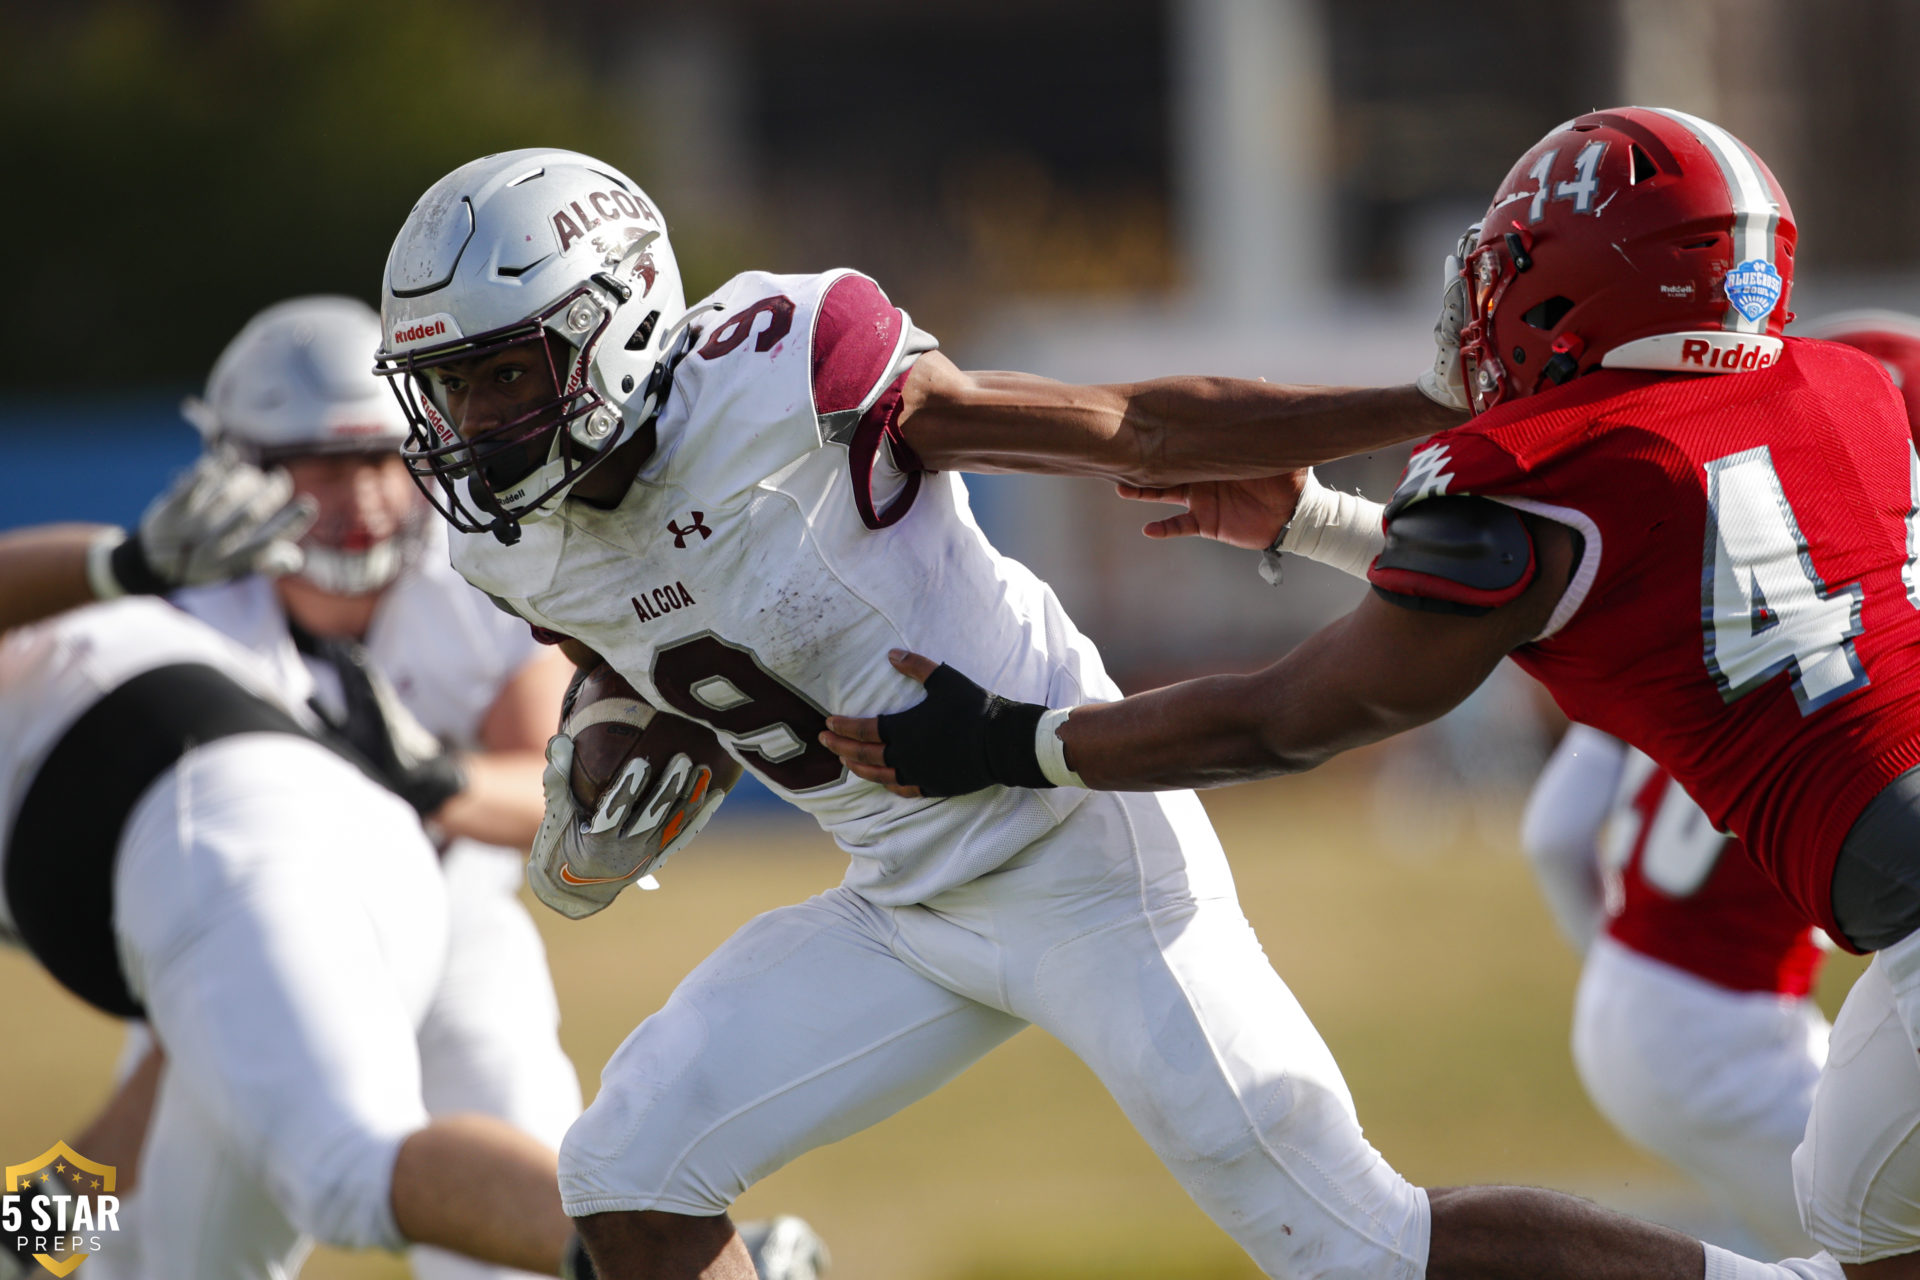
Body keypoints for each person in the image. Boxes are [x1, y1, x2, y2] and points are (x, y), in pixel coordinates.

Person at [370, 143, 1809, 1280]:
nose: (474, 425)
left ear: (615, 324)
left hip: (1081, 854)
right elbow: (637, 650)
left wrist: (1423, 398)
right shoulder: (507, 540)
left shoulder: (785, 370)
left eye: (504, 374)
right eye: (447, 387)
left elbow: (1138, 425)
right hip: (896, 901)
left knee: (1353, 1247)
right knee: (623, 1175)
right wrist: (619, 735)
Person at [822, 105, 1920, 1280]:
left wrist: (1014, 739)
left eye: (1514, 270)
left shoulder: (1554, 469)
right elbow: (1626, 576)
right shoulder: (1850, 388)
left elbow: (1291, 716)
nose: (1486, 303)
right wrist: (1318, 518)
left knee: (1853, 1244)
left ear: (1586, 287)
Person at [0, 503, 586, 1279]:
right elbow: (162, 1089)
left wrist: (116, 562)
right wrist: (30, 1236)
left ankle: (689, 1261)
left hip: (276, 855)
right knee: (170, 1260)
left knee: (346, 1166)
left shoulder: (452, 586)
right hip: (325, 863)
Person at [1523, 726, 1828, 1258]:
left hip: (1632, 1001)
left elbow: (1552, 834)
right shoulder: (1871, 663)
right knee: (1882, 1238)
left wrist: (1617, 958)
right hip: (1728, 1030)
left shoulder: (1666, 645)